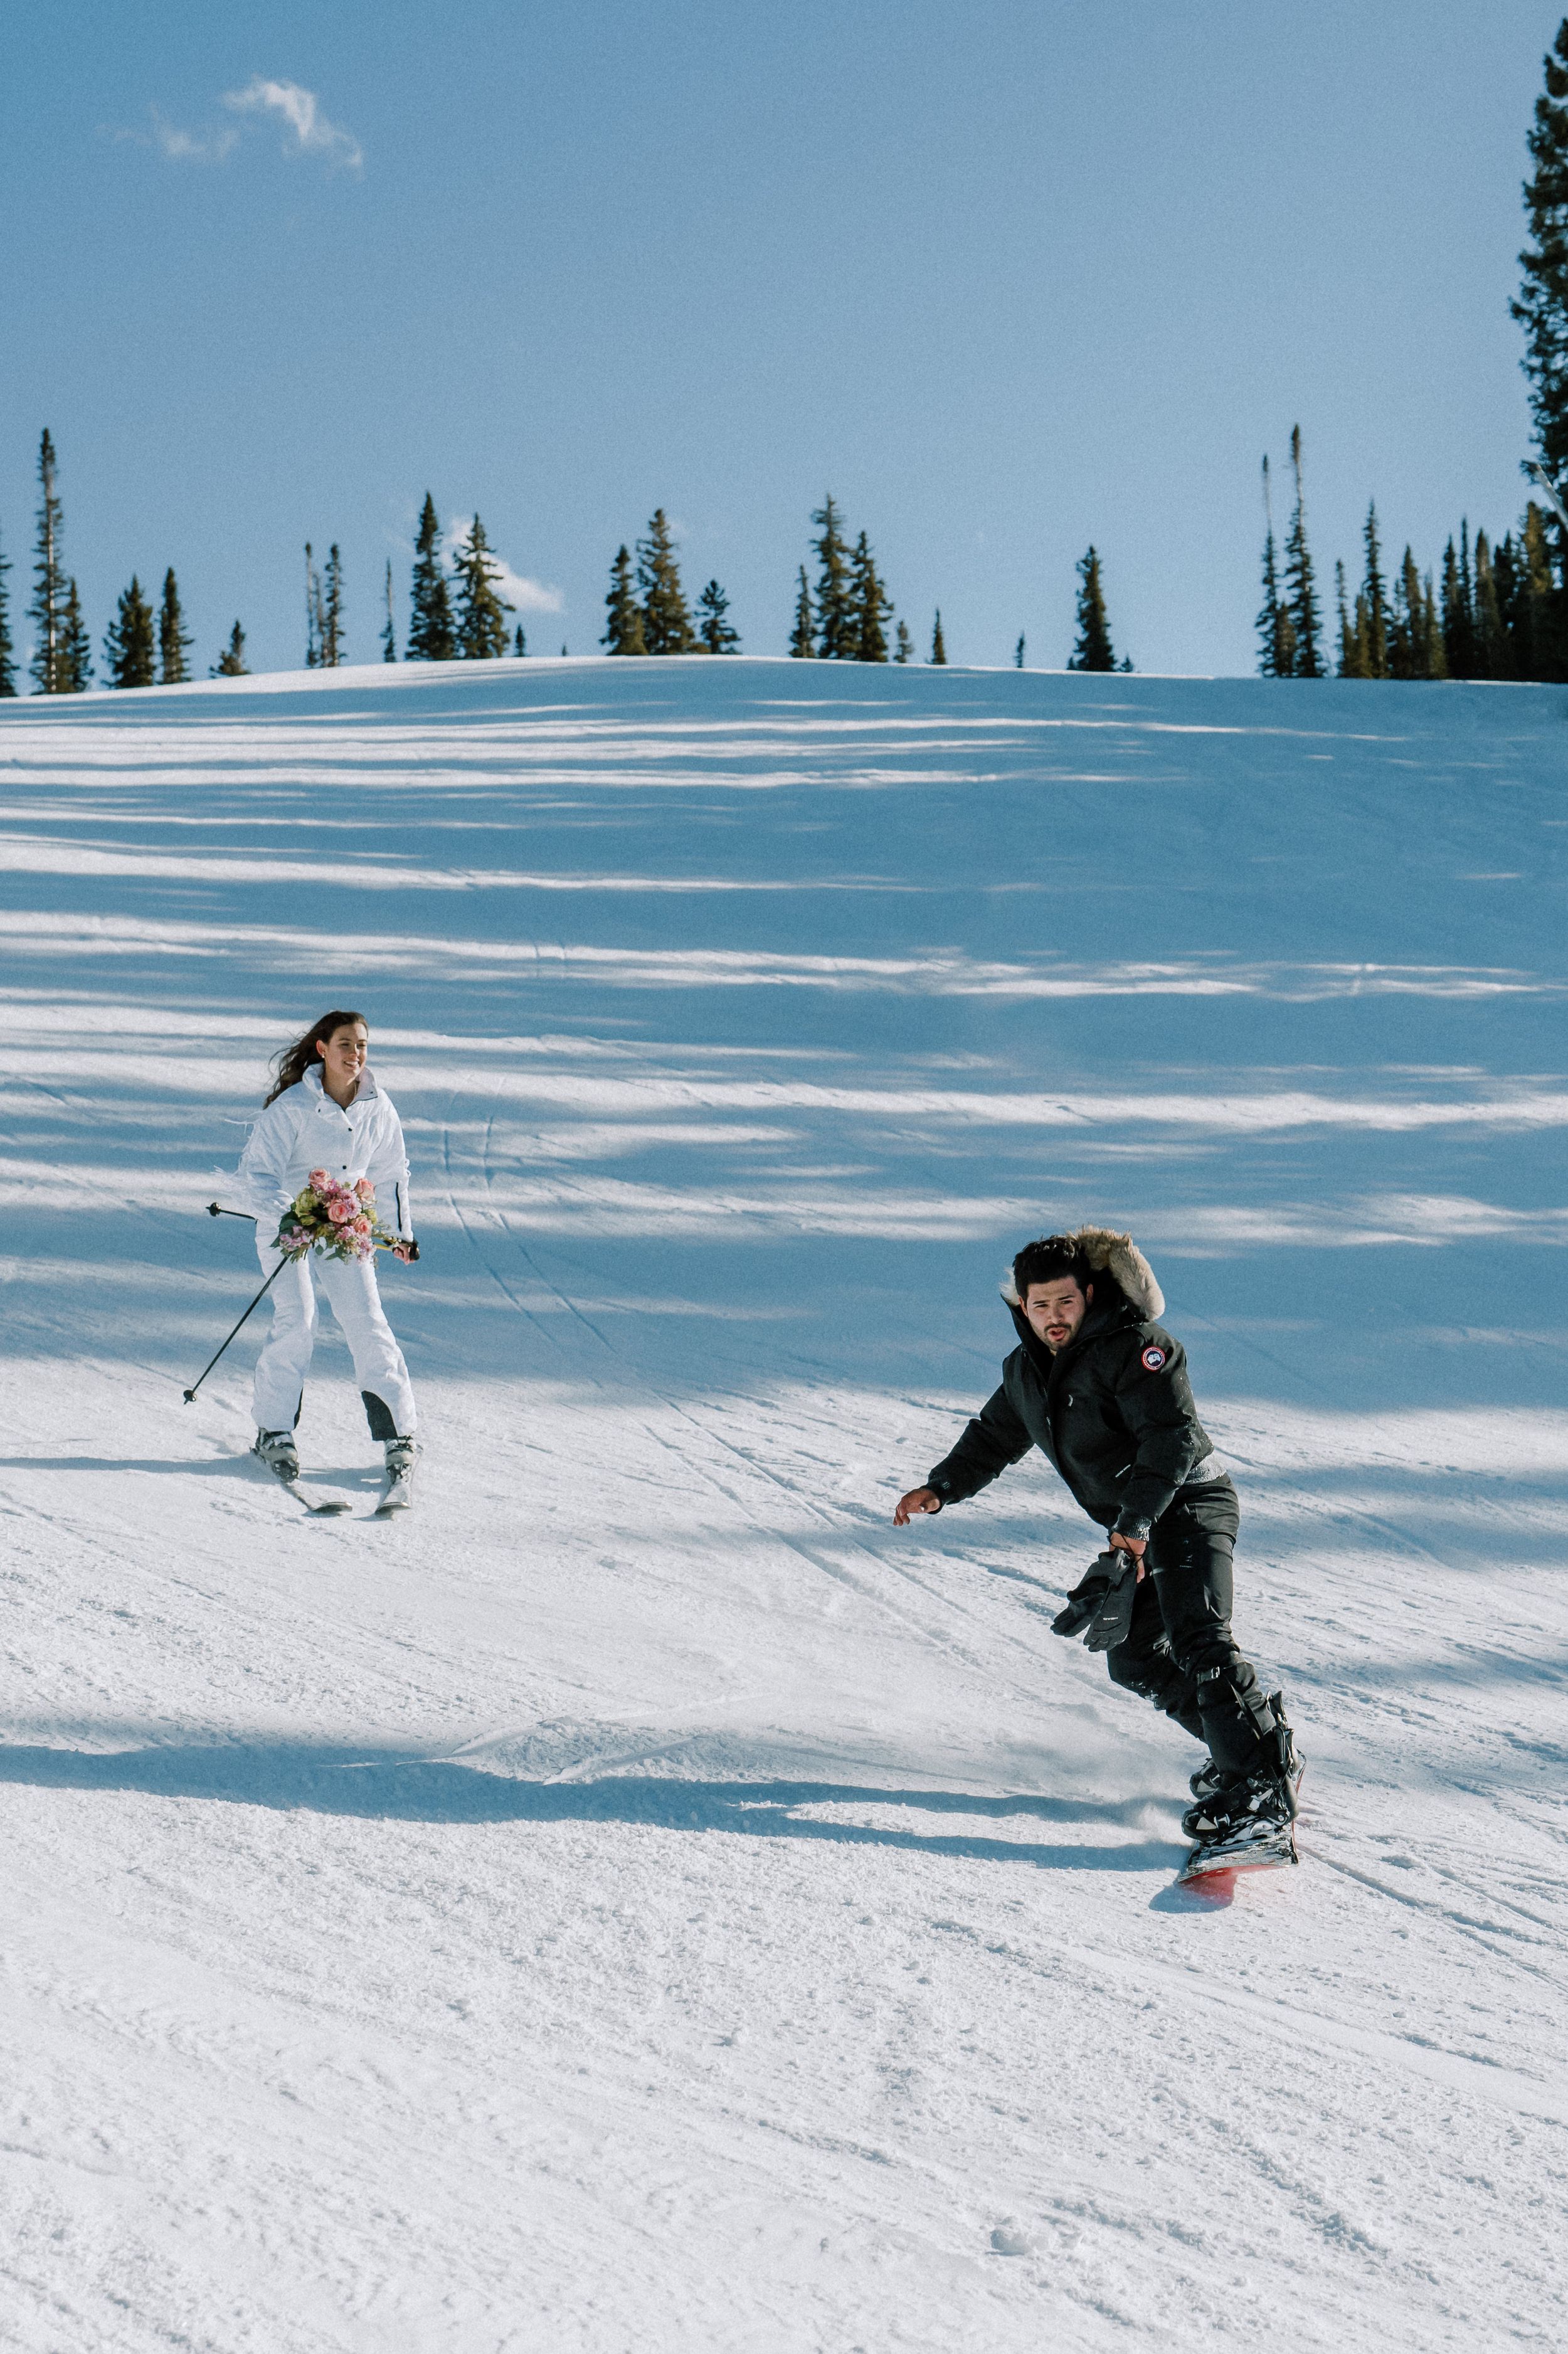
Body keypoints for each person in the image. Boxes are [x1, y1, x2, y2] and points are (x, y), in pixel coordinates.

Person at [893, 1227, 1300, 1865]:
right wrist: (942, 1487)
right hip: (1135, 1525)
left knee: (1199, 1636)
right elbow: (995, 1435)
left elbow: (1170, 1441)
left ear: (1089, 1296)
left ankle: (1261, 1803)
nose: (1053, 1317)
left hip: (1187, 1503)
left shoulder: (1139, 1349)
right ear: (1021, 1307)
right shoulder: (1027, 1372)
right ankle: (1253, 1749)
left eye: (1064, 1302)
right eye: (1039, 1305)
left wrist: (1136, 1522)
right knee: (1136, 1657)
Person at [236, 1010, 421, 1508]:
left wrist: (399, 1233)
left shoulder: (378, 1107)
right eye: (345, 1044)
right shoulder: (294, 1107)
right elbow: (258, 1176)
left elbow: (391, 1171)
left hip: (345, 1227)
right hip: (289, 1228)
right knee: (299, 1318)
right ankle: (273, 1430)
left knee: (366, 1319)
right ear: (322, 1049)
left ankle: (399, 1434)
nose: (355, 1054)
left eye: (362, 1045)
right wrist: (288, 1216)